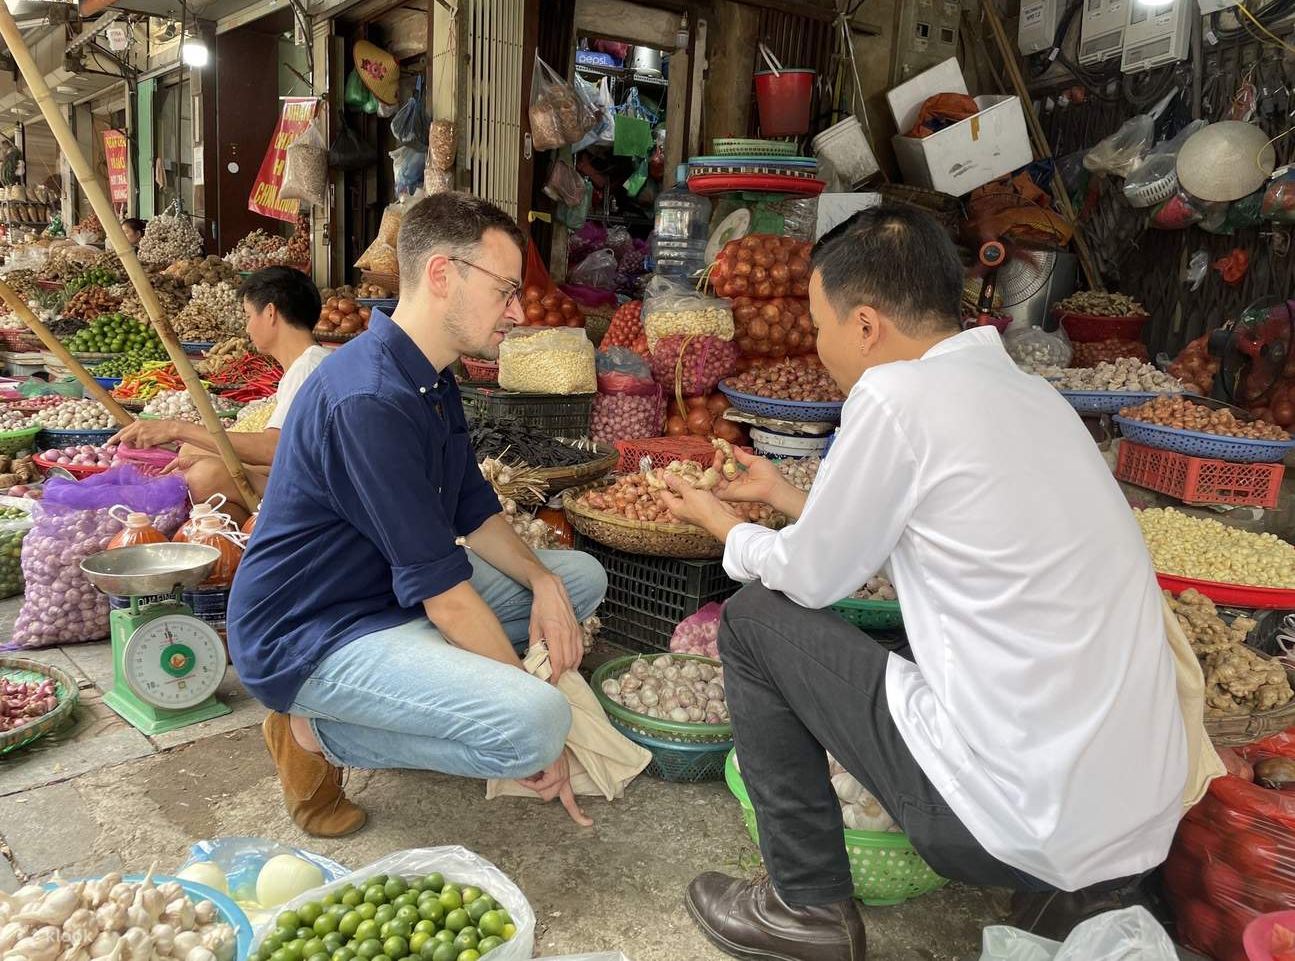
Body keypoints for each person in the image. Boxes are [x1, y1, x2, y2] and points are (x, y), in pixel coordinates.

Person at [658, 204, 1221, 961]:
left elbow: (816, 578)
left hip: (1013, 821)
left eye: (820, 324)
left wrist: (724, 528)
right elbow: (944, 539)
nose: (820, 346)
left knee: (756, 616)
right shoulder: (1033, 398)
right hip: (1132, 826)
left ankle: (806, 906)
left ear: (864, 325)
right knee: (893, 630)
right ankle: (1070, 896)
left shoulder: (895, 396)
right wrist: (788, 500)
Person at [226, 192, 607, 838]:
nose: (516, 311)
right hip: (308, 630)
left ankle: (414, 687)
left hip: (381, 594)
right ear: (440, 275)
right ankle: (313, 727)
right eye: (505, 290)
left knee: (576, 581)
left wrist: (542, 583)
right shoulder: (369, 397)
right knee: (536, 722)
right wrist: (527, 705)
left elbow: (475, 511)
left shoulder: (431, 376)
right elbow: (448, 600)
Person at [109, 266, 329, 526]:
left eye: (248, 316)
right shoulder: (311, 361)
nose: (247, 328)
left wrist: (177, 428)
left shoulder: (308, 368)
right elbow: (294, 457)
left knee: (204, 476)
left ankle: (241, 542)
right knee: (195, 452)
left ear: (270, 313)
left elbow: (273, 449)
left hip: (318, 498)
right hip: (306, 478)